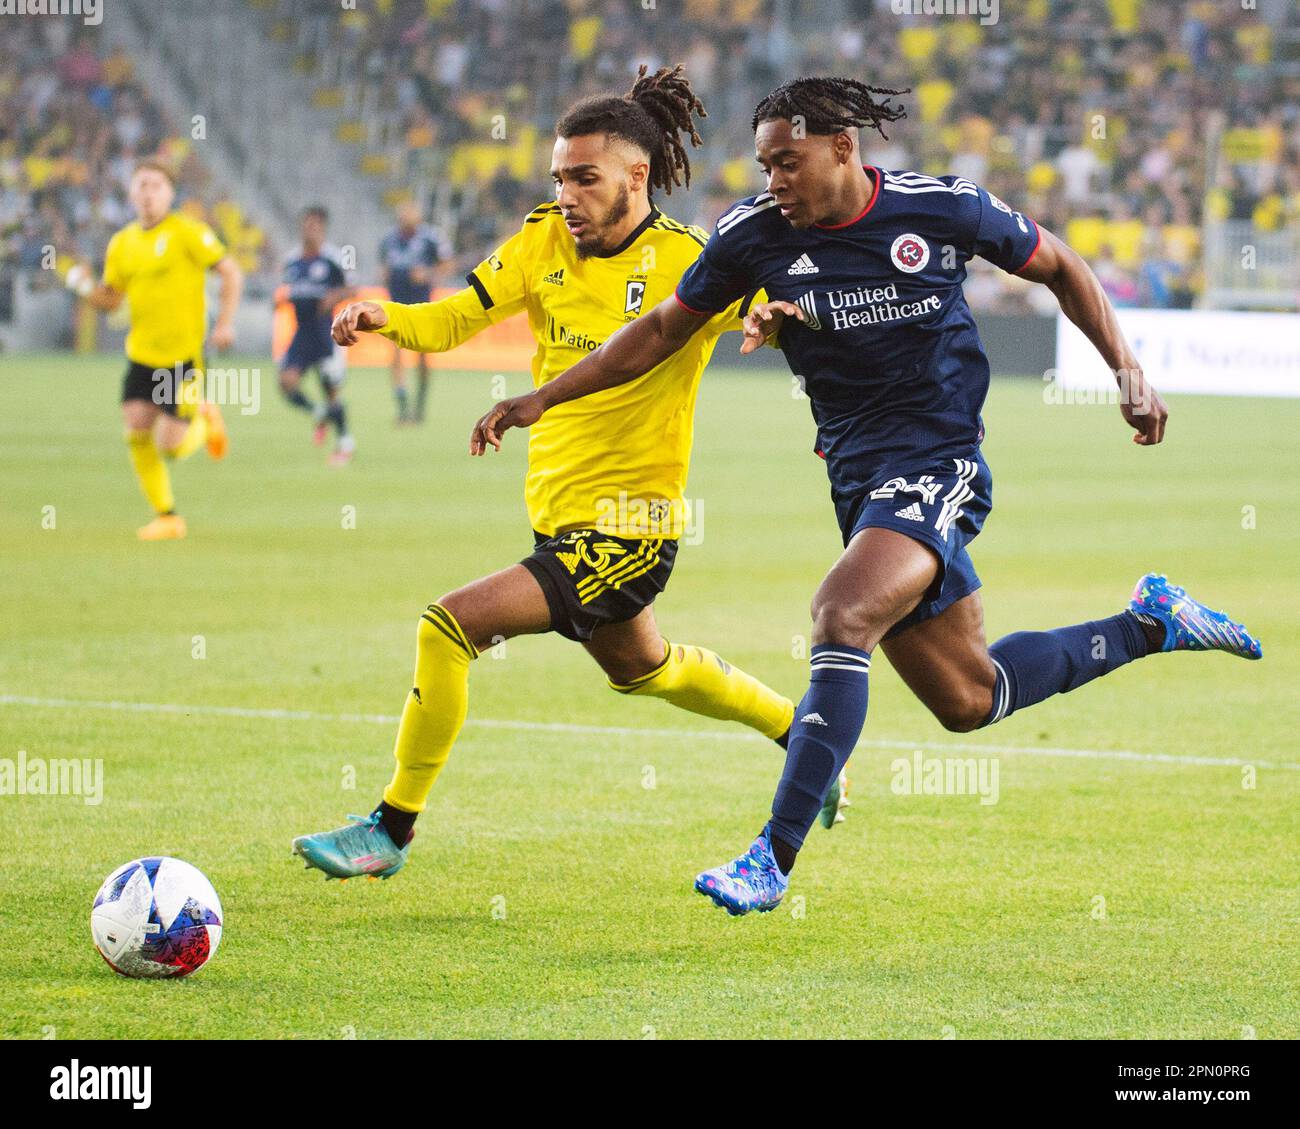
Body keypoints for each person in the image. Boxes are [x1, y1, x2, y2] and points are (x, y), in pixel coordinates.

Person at [469, 77, 1263, 916]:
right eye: (765, 164)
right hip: (858, 481)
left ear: (843, 148)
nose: (774, 179)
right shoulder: (753, 235)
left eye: (788, 161)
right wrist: (543, 397)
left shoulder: (942, 209)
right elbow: (661, 329)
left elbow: (1061, 265)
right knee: (969, 697)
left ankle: (771, 856)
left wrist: (1128, 373)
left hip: (939, 461)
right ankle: (1151, 621)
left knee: (840, 615)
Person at [291, 66, 846, 884]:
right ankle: (806, 739)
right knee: (645, 667)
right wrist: (387, 317)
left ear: (636, 175)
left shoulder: (690, 261)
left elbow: (789, 317)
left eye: (585, 178)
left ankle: (390, 827)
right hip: (561, 514)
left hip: (630, 526)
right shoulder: (542, 240)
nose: (567, 196)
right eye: (559, 178)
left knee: (448, 626)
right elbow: (457, 316)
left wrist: (779, 322)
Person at [66, 159, 242, 540]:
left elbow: (230, 271)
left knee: (171, 448)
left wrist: (225, 323)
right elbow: (111, 300)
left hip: (183, 358)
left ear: (170, 193)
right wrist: (82, 286)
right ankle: (167, 516)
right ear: (131, 192)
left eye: (156, 185)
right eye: (142, 185)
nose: (148, 193)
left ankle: (205, 420)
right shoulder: (122, 243)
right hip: (142, 355)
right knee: (136, 430)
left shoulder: (187, 232)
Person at [277, 206, 357, 466]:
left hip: (326, 332)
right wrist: (281, 299)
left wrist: (334, 296)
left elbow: (351, 288)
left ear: (322, 229)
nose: (308, 230)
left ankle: (345, 442)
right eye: (305, 224)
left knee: (330, 387)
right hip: (302, 332)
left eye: (314, 225)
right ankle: (319, 412)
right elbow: (290, 289)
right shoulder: (292, 260)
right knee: (286, 382)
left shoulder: (334, 258)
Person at [379, 200, 446, 425]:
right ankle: (402, 408)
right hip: (396, 306)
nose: (406, 215)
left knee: (423, 355)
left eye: (411, 211)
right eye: (403, 211)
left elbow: (447, 264)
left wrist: (426, 274)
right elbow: (384, 266)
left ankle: (419, 407)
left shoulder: (431, 238)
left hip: (422, 307)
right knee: (396, 354)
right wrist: (385, 277)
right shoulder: (389, 240)